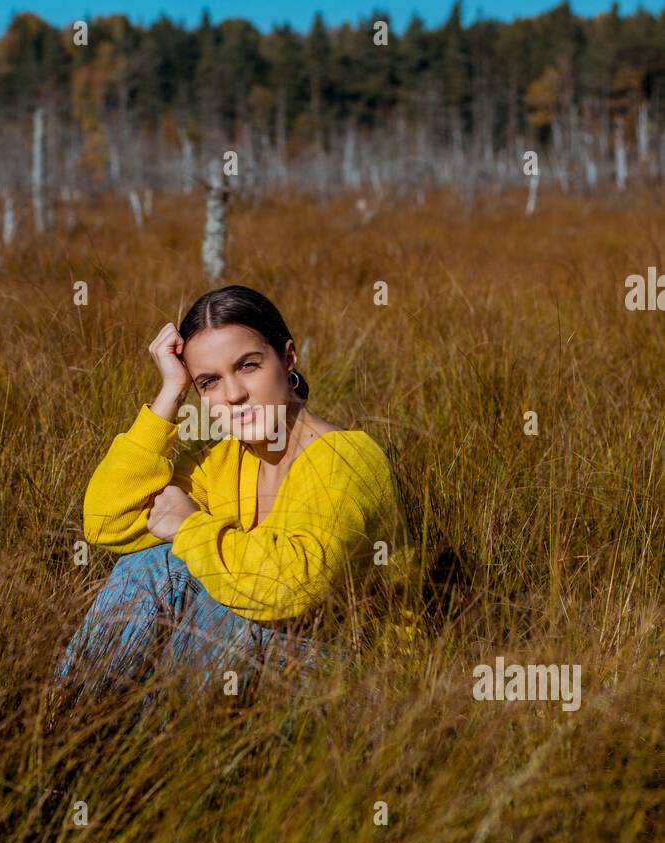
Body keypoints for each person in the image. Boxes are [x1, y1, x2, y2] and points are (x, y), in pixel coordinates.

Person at [56, 285, 412, 702]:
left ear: (288, 357)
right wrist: (170, 394)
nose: (234, 395)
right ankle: (70, 715)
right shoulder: (222, 460)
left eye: (247, 366)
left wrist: (190, 526)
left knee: (226, 611)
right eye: (209, 382)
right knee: (154, 564)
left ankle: (147, 746)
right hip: (259, 646)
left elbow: (291, 588)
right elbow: (106, 523)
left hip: (355, 669)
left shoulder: (346, 456)